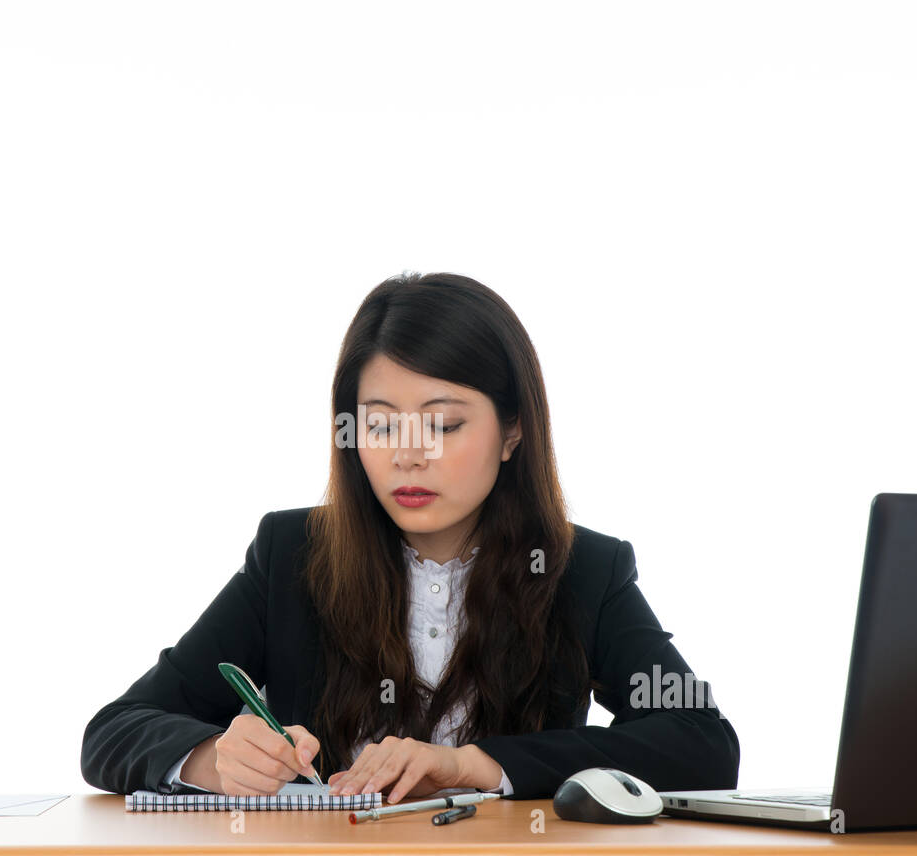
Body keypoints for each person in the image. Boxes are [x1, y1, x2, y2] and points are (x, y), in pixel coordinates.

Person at [80, 271, 739, 803]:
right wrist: (211, 758)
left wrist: (476, 765)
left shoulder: (581, 569)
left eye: (444, 425)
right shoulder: (292, 555)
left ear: (513, 432)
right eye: (381, 424)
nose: (408, 455)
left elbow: (704, 743)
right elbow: (114, 729)